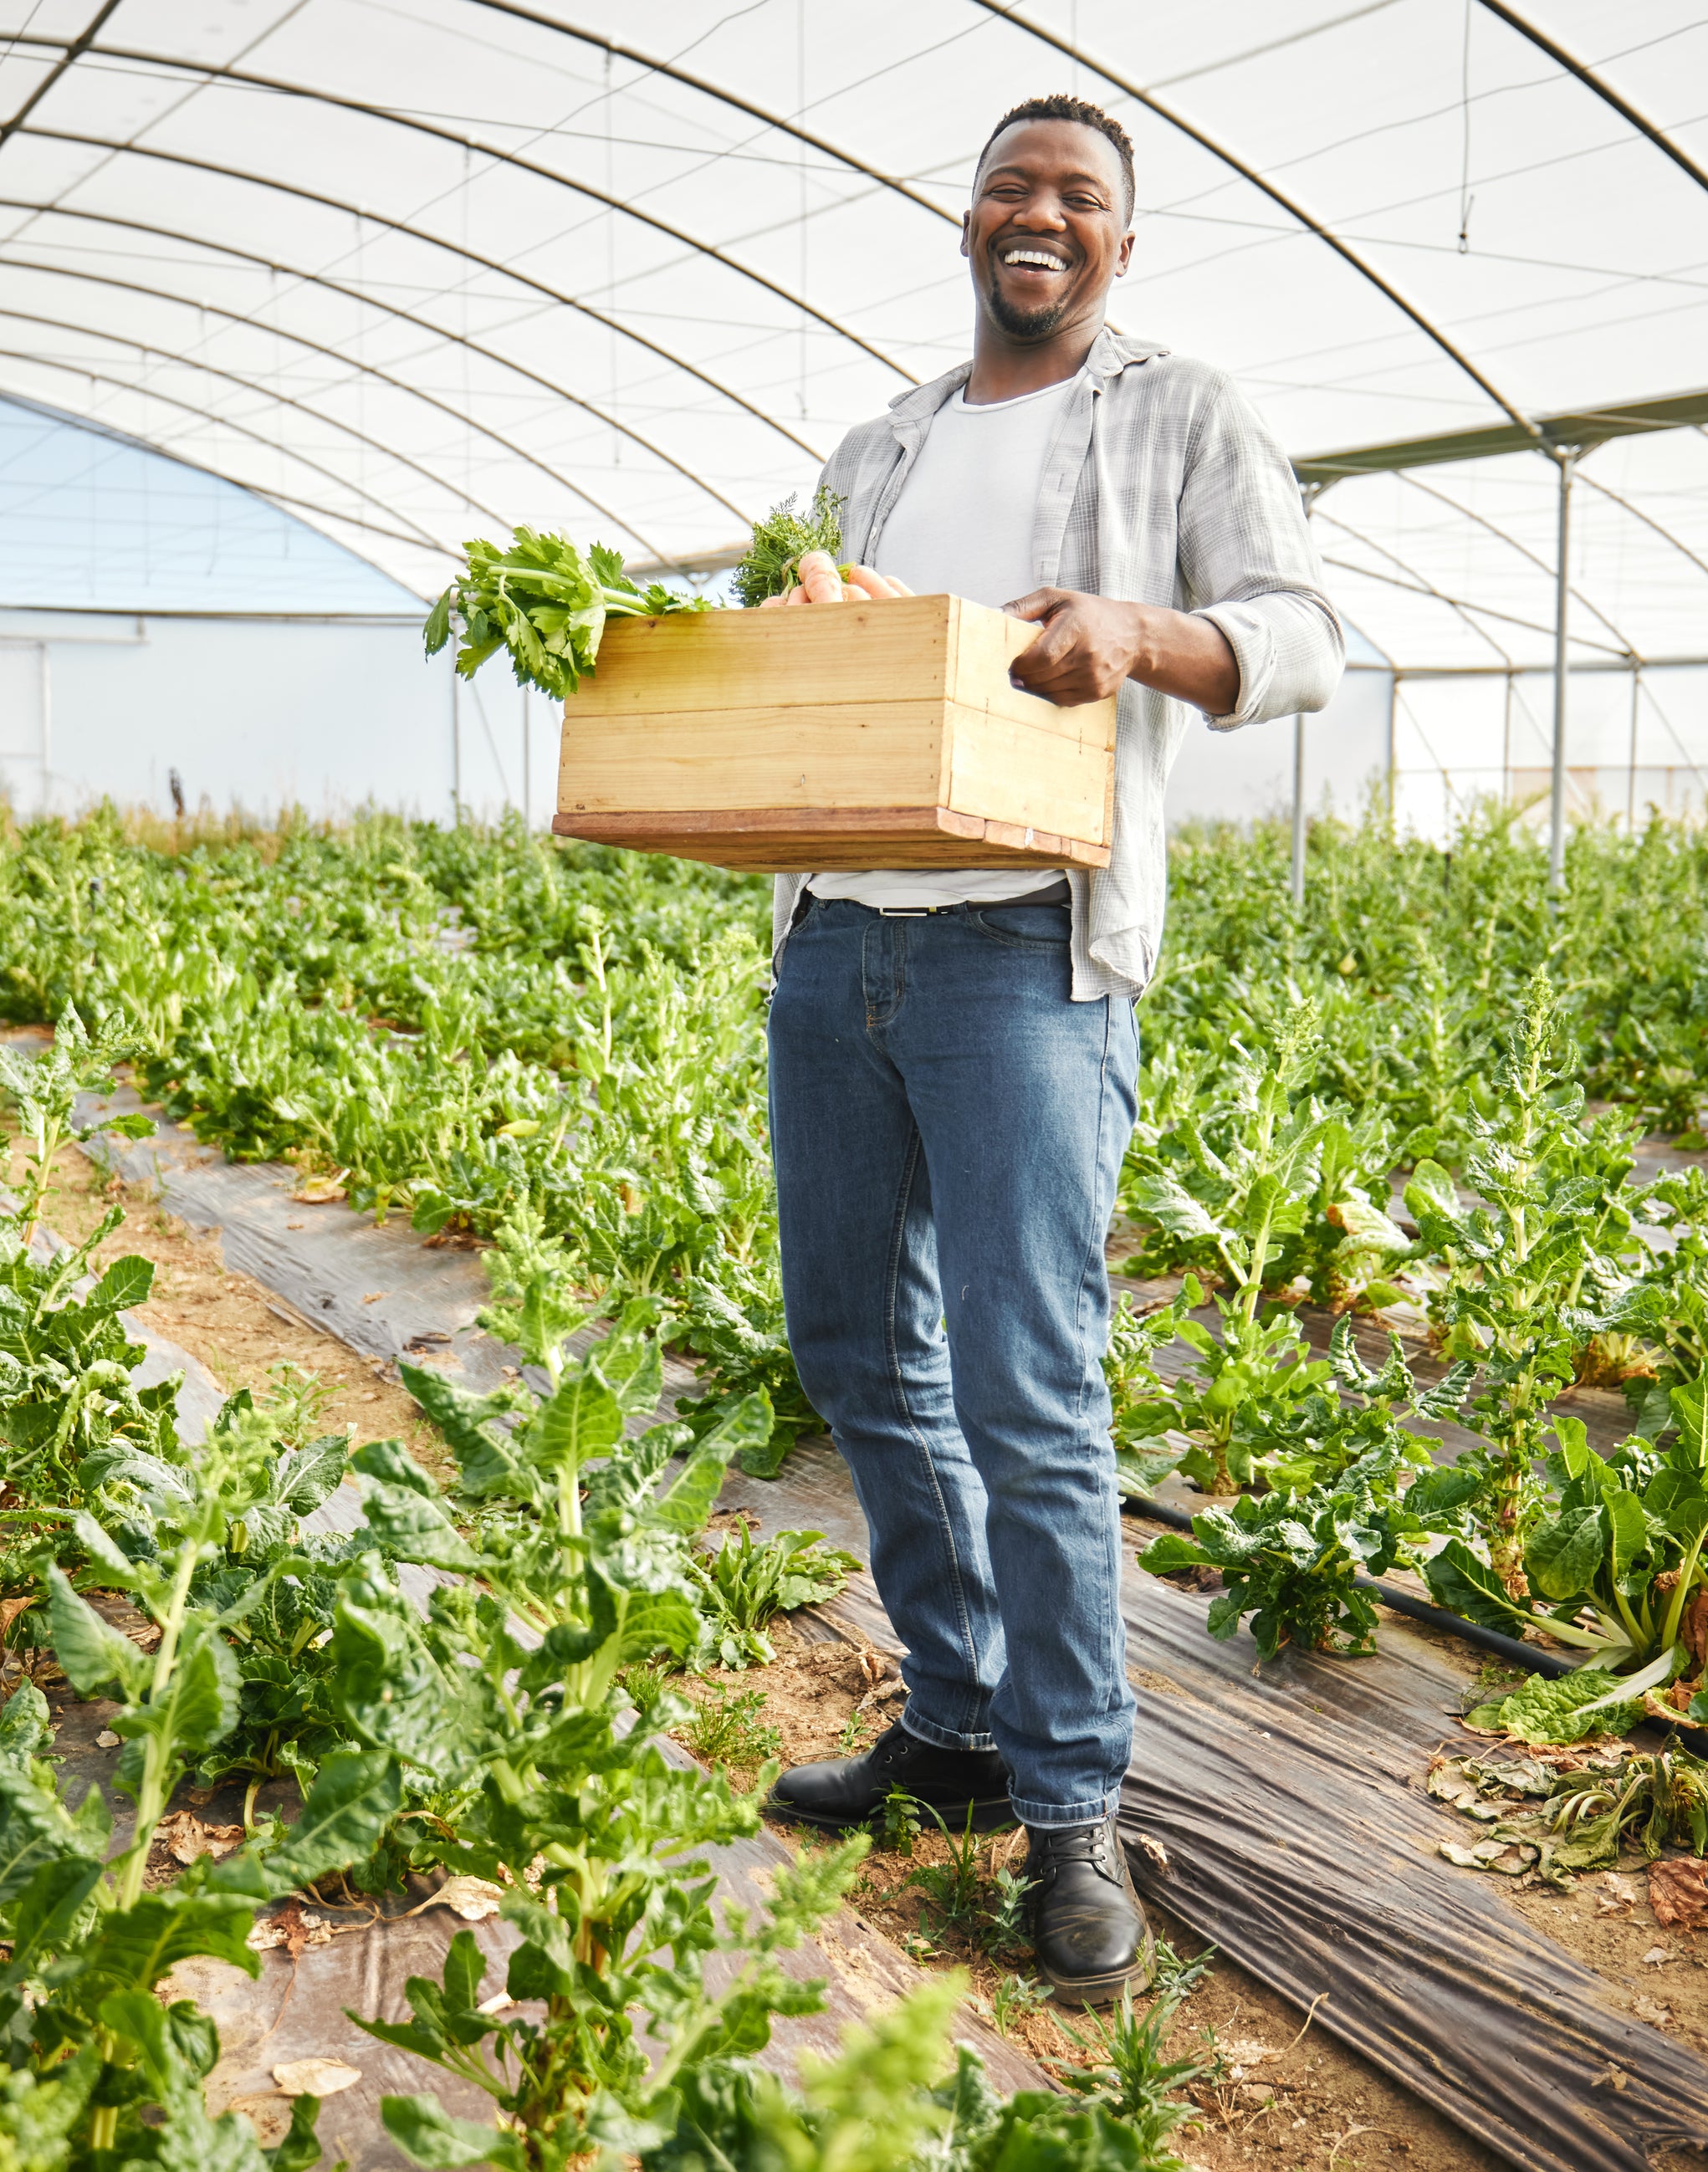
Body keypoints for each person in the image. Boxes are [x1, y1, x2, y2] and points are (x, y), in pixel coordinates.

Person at [751, 93, 1342, 2006]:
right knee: (855, 1346)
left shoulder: (1181, 416)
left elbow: (1306, 635)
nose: (1041, 216)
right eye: (1013, 185)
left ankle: (1077, 1802)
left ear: (1121, 243)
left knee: (1031, 1388)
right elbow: (839, 664)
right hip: (841, 943)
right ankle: (957, 1718)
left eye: (1081, 197)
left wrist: (1131, 633)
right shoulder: (885, 444)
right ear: (968, 217)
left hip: (1028, 954)